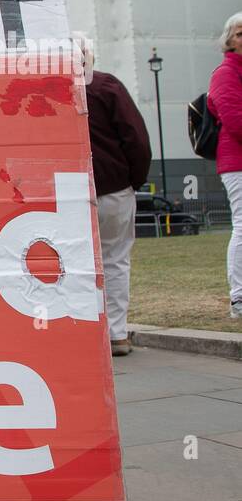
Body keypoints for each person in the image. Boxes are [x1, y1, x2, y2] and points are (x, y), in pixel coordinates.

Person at [84, 52, 151, 355]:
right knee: (115, 259)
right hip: (112, 185)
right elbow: (135, 138)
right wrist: (132, 180)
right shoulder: (106, 86)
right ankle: (116, 333)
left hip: (65, 190)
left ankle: (82, 332)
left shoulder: (42, 88)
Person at [207, 11, 242, 318]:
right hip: (237, 162)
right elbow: (234, 119)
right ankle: (239, 297)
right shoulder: (226, 73)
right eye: (241, 34)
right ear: (230, 41)